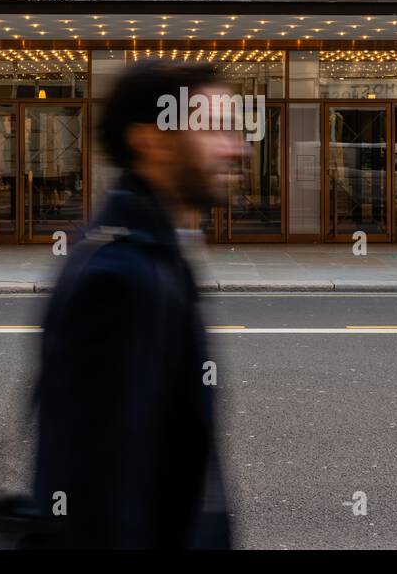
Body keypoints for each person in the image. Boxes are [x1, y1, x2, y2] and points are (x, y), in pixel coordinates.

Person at [31, 63, 246, 549]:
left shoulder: (155, 251)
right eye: (213, 129)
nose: (237, 148)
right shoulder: (119, 277)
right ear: (152, 140)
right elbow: (98, 498)